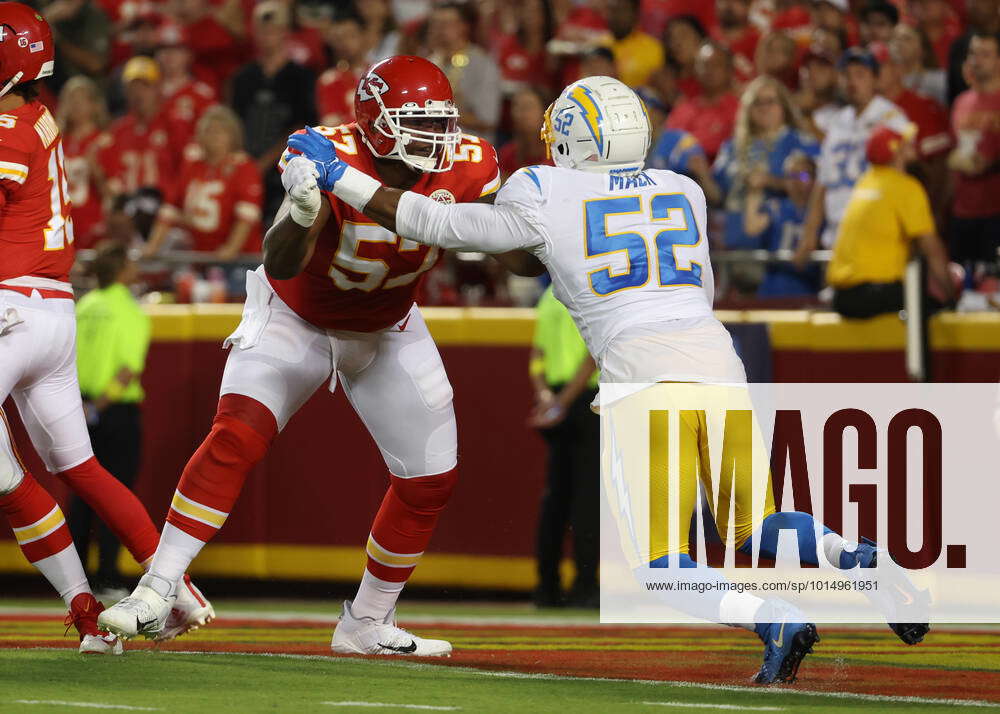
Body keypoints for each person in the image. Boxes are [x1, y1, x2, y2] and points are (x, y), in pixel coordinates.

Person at [301, 74, 931, 683]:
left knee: (662, 567)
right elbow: (700, 291)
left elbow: (434, 222)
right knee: (753, 525)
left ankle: (775, 619)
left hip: (642, 372)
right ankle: (859, 560)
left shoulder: (543, 190)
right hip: (717, 360)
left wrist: (338, 177)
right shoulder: (684, 189)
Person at [99, 56, 540, 654]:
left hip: (387, 325)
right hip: (295, 317)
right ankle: (157, 586)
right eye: (420, 123)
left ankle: (366, 622)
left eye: (442, 122)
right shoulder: (324, 151)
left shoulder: (470, 163)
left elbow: (513, 257)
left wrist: (524, 228)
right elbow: (281, 261)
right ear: (376, 121)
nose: (438, 138)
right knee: (236, 436)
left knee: (431, 480)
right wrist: (303, 213)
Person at [0, 2, 211, 655]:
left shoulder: (10, 121)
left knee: (17, 477)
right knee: (74, 468)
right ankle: (146, 596)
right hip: (53, 309)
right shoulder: (32, 117)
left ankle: (119, 596)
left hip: (13, 307)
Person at [71, 242, 150, 593]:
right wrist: (100, 408)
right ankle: (107, 576)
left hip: (77, 408)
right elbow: (127, 371)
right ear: (120, 271)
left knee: (81, 494)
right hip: (113, 413)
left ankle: (74, 580)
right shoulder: (129, 311)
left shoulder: (83, 306)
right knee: (115, 495)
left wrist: (85, 409)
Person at [827, 125, 955, 318]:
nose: (912, 145)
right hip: (876, 292)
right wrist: (952, 296)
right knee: (935, 310)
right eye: (906, 144)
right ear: (896, 151)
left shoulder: (865, 182)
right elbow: (931, 248)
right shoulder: (905, 187)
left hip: (842, 296)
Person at [797, 48, 909, 259]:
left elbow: (900, 176)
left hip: (875, 229)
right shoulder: (838, 121)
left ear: (875, 80)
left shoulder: (891, 118)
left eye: (860, 75)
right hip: (837, 234)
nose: (852, 81)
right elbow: (823, 181)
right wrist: (810, 233)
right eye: (846, 75)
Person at [529, 287, 599, 608]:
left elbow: (537, 357)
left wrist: (546, 398)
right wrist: (564, 403)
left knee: (555, 498)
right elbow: (593, 355)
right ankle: (584, 586)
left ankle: (547, 585)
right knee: (587, 498)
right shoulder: (589, 292)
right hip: (584, 401)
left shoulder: (547, 297)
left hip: (556, 397)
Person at [230, 1, 317, 225]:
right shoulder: (243, 77)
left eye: (273, 31)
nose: (267, 37)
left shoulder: (301, 77)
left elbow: (304, 125)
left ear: (284, 34)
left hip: (287, 168)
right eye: (262, 31)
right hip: (246, 166)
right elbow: (234, 122)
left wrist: (264, 162)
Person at [143, 105, 264, 260]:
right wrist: (153, 246)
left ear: (232, 135)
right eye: (208, 130)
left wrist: (230, 250)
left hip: (239, 258)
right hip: (199, 253)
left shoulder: (244, 167)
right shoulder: (191, 164)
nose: (213, 136)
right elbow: (171, 208)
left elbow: (247, 216)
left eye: (220, 131)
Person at [713, 75, 819, 248]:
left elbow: (811, 184)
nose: (764, 108)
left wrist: (773, 181)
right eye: (757, 102)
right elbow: (717, 191)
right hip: (732, 241)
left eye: (770, 101)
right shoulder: (732, 148)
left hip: (779, 241)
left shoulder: (800, 142)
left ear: (783, 106)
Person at [948, 31, 1000, 270]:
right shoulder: (961, 102)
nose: (976, 60)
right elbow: (952, 152)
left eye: (985, 54)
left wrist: (990, 163)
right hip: (963, 211)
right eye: (972, 53)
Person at [96, 56, 178, 199]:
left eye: (145, 86)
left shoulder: (173, 125)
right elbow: (103, 172)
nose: (138, 93)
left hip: (164, 211)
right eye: (133, 87)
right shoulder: (118, 130)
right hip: (127, 211)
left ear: (158, 88)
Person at [743, 152, 822, 296]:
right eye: (791, 176)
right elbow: (752, 228)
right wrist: (754, 192)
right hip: (774, 285)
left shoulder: (822, 212)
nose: (796, 181)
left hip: (807, 286)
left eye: (803, 176)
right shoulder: (776, 207)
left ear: (815, 180)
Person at [424, 2, 501, 143]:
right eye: (435, 24)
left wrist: (439, 111)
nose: (439, 29)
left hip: (471, 147)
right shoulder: (428, 63)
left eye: (446, 24)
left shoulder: (483, 64)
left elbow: (488, 120)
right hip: (434, 146)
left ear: (464, 26)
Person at [56, 76, 108, 250]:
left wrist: (96, 169)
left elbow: (111, 193)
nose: (76, 105)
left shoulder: (104, 141)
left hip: (92, 221)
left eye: (81, 100)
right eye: (71, 100)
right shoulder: (56, 142)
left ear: (94, 105)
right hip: (60, 222)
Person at [665, 41, 740, 161]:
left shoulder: (740, 109)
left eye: (716, 64)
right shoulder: (682, 109)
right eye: (704, 65)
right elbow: (667, 147)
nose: (709, 70)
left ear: (729, 70)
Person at [315, 8, 369, 127]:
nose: (344, 43)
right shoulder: (329, 80)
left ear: (363, 36)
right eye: (338, 38)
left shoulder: (379, 73)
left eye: (350, 36)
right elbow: (331, 124)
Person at [603, 0, 664, 88]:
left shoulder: (652, 48)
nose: (616, 16)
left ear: (635, 14)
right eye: (612, 10)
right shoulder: (599, 45)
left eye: (622, 10)